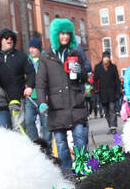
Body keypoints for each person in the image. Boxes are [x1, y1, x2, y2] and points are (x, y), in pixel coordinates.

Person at [36, 18, 90, 172]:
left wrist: (80, 72)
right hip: (56, 106)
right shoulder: (46, 57)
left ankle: (81, 170)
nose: (65, 37)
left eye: (67, 33)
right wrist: (42, 102)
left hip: (75, 103)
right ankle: (66, 173)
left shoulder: (75, 53)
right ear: (55, 35)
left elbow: (84, 78)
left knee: (80, 138)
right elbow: (40, 83)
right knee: (60, 143)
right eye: (62, 33)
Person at [0, 27, 35, 130]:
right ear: (0, 40)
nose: (9, 40)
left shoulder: (21, 56)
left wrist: (30, 86)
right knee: (3, 129)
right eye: (6, 37)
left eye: (12, 38)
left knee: (18, 128)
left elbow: (31, 72)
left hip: (17, 99)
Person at [24, 35, 49, 141]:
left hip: (43, 96)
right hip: (30, 97)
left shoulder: (45, 59)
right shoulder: (26, 60)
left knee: (46, 123)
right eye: (30, 48)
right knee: (29, 120)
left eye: (34, 48)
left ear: (39, 48)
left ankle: (48, 146)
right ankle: (35, 143)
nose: (31, 50)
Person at [94, 50, 123, 131]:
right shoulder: (98, 67)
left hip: (112, 92)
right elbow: (95, 79)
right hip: (103, 93)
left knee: (112, 109)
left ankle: (113, 127)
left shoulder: (113, 67)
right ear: (102, 58)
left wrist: (118, 91)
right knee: (106, 110)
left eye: (108, 57)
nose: (106, 59)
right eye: (105, 57)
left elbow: (117, 80)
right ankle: (110, 125)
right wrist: (95, 88)